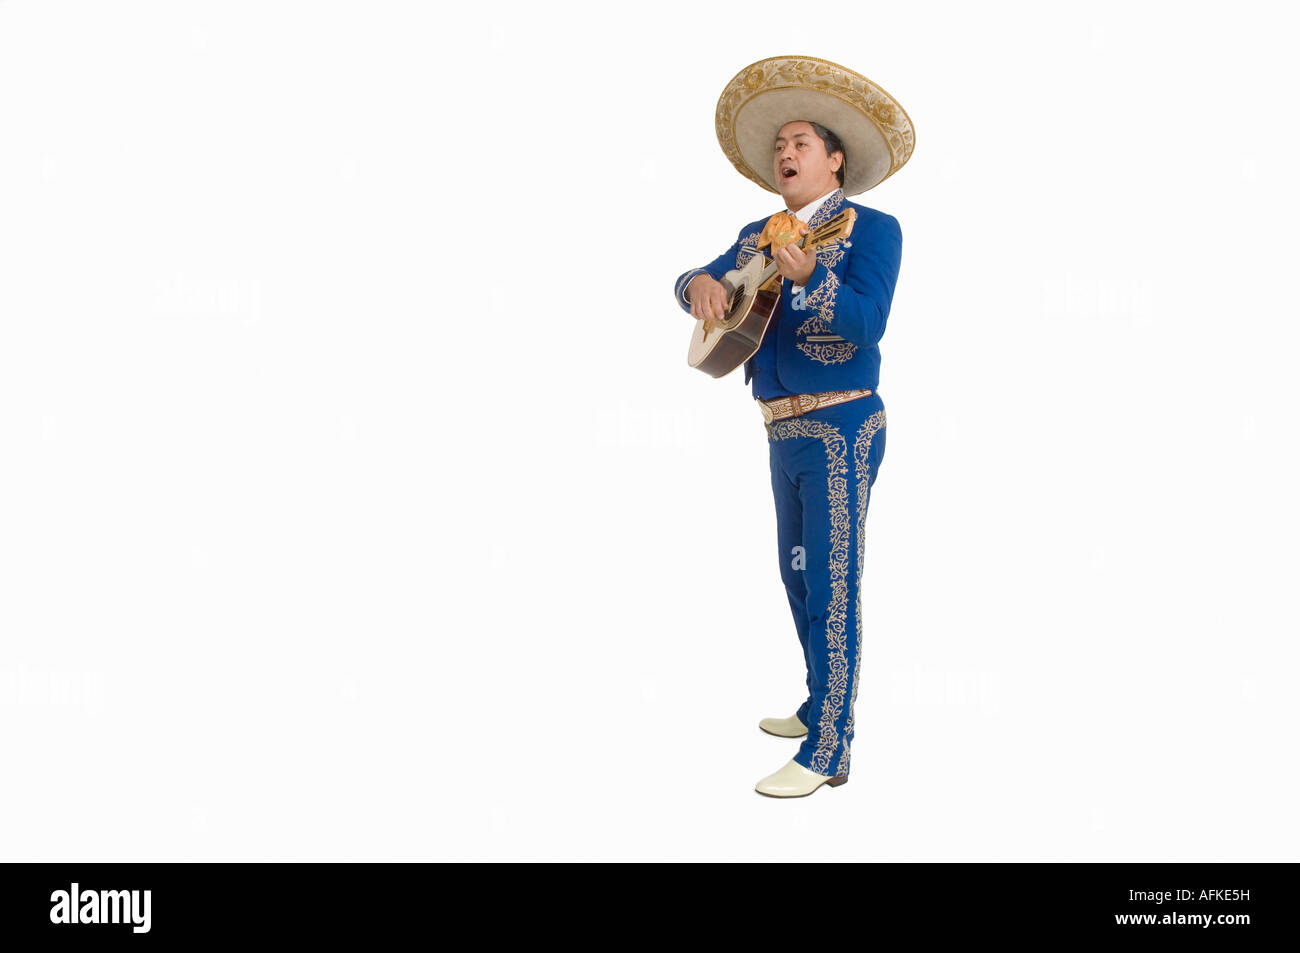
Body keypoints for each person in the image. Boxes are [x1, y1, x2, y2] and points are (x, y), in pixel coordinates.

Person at [672, 56, 915, 797]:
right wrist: (701, 286)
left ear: (834, 158)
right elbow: (689, 281)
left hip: (842, 425)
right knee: (799, 574)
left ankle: (830, 750)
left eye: (802, 140)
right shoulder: (756, 234)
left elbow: (868, 323)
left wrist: (814, 277)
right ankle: (819, 702)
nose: (786, 151)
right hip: (779, 429)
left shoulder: (873, 229)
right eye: (780, 142)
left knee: (833, 585)